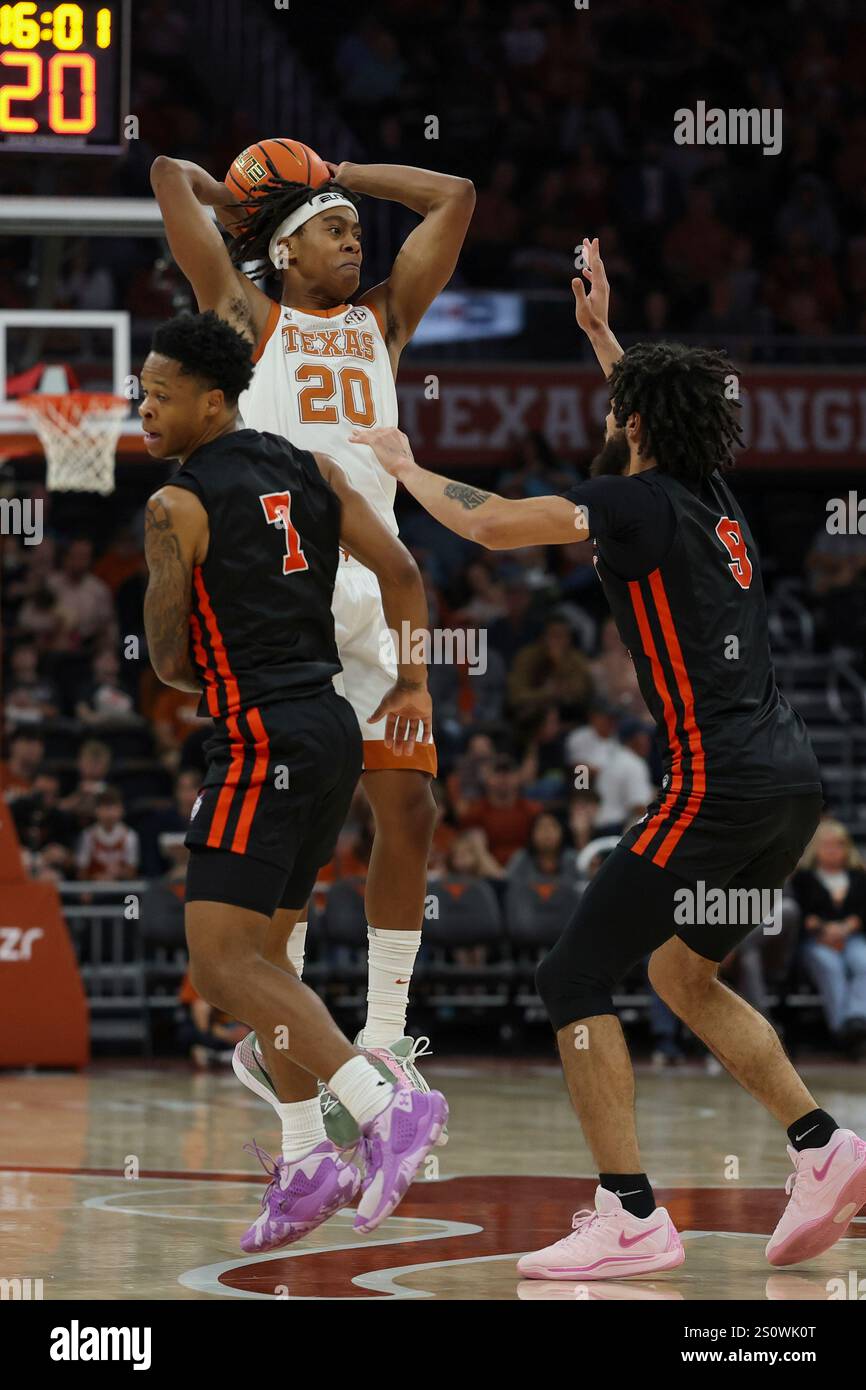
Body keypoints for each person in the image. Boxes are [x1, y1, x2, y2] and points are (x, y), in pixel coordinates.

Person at [351, 238, 866, 1278]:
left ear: (630, 424)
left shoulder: (629, 503)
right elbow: (648, 420)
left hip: (718, 780)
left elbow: (495, 525)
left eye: (615, 404)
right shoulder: (708, 494)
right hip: (788, 781)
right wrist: (597, 335)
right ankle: (823, 1146)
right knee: (680, 971)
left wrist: (406, 469)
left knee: (570, 970)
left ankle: (628, 1212)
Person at [149, 146, 475, 1105]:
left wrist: (343, 172)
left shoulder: (384, 319)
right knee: (299, 832)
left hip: (372, 589)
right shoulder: (248, 316)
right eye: (334, 229)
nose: (354, 241)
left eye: (356, 231)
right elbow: (170, 174)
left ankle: (380, 1036)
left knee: (411, 807)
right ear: (286, 251)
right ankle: (276, 1024)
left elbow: (453, 198)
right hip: (280, 590)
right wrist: (241, 204)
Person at [140, 310, 446, 1251]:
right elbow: (401, 568)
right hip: (332, 728)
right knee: (270, 967)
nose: (143, 411)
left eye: (158, 397)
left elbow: (167, 662)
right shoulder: (311, 469)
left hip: (260, 737)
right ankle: (309, 1154)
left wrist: (185, 615)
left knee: (219, 965)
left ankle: (379, 1102)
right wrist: (416, 680)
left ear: (214, 401)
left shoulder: (173, 508)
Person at [791, 819, 866, 1056]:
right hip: (816, 941)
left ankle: (857, 1018)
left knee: (863, 961)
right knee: (829, 965)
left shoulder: (859, 876)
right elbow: (801, 915)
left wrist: (844, 929)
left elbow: (862, 913)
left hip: (852, 937)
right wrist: (825, 930)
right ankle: (842, 1028)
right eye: (827, 845)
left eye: (838, 845)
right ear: (816, 848)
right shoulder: (803, 877)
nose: (833, 850)